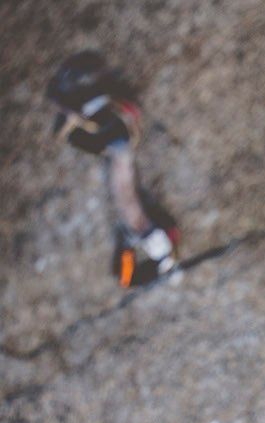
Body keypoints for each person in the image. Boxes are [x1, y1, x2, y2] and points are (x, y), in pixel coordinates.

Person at [46, 51, 179, 287]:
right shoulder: (153, 239)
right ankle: (78, 105)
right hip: (120, 146)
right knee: (124, 175)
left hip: (118, 145)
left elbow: (125, 277)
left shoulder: (146, 242)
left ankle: (77, 107)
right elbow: (127, 274)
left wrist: (128, 246)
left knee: (122, 175)